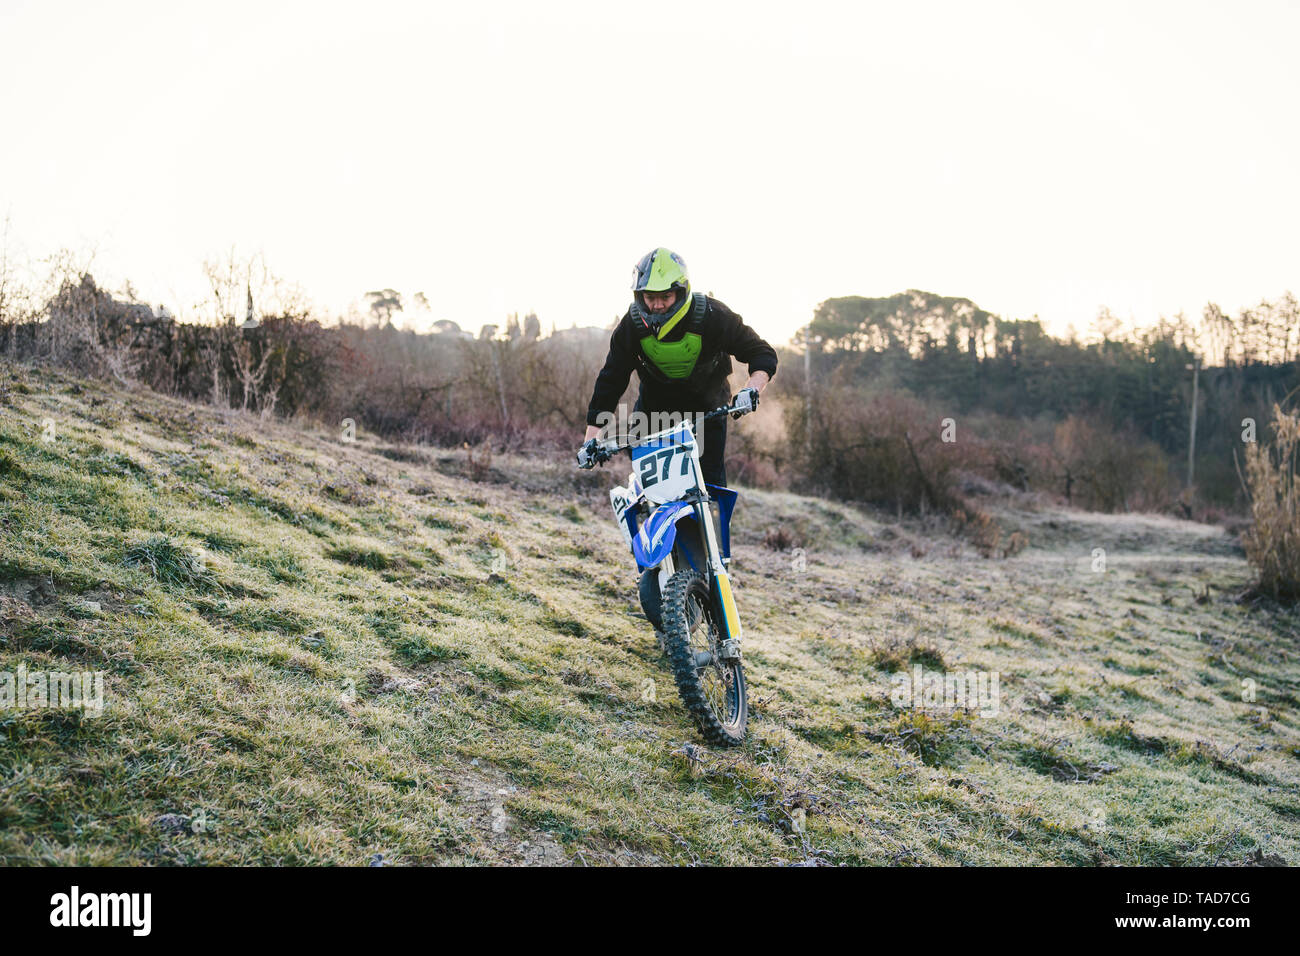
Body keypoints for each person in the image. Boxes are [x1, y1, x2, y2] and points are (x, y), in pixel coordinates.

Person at [579, 247, 777, 487]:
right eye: (650, 298)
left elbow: (760, 352)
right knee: (654, 489)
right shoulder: (631, 326)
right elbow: (612, 378)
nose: (658, 305)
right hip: (654, 413)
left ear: (681, 292)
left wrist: (752, 388)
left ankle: (709, 522)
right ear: (639, 296)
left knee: (709, 488)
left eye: (665, 297)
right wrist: (591, 438)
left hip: (707, 412)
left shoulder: (713, 316)